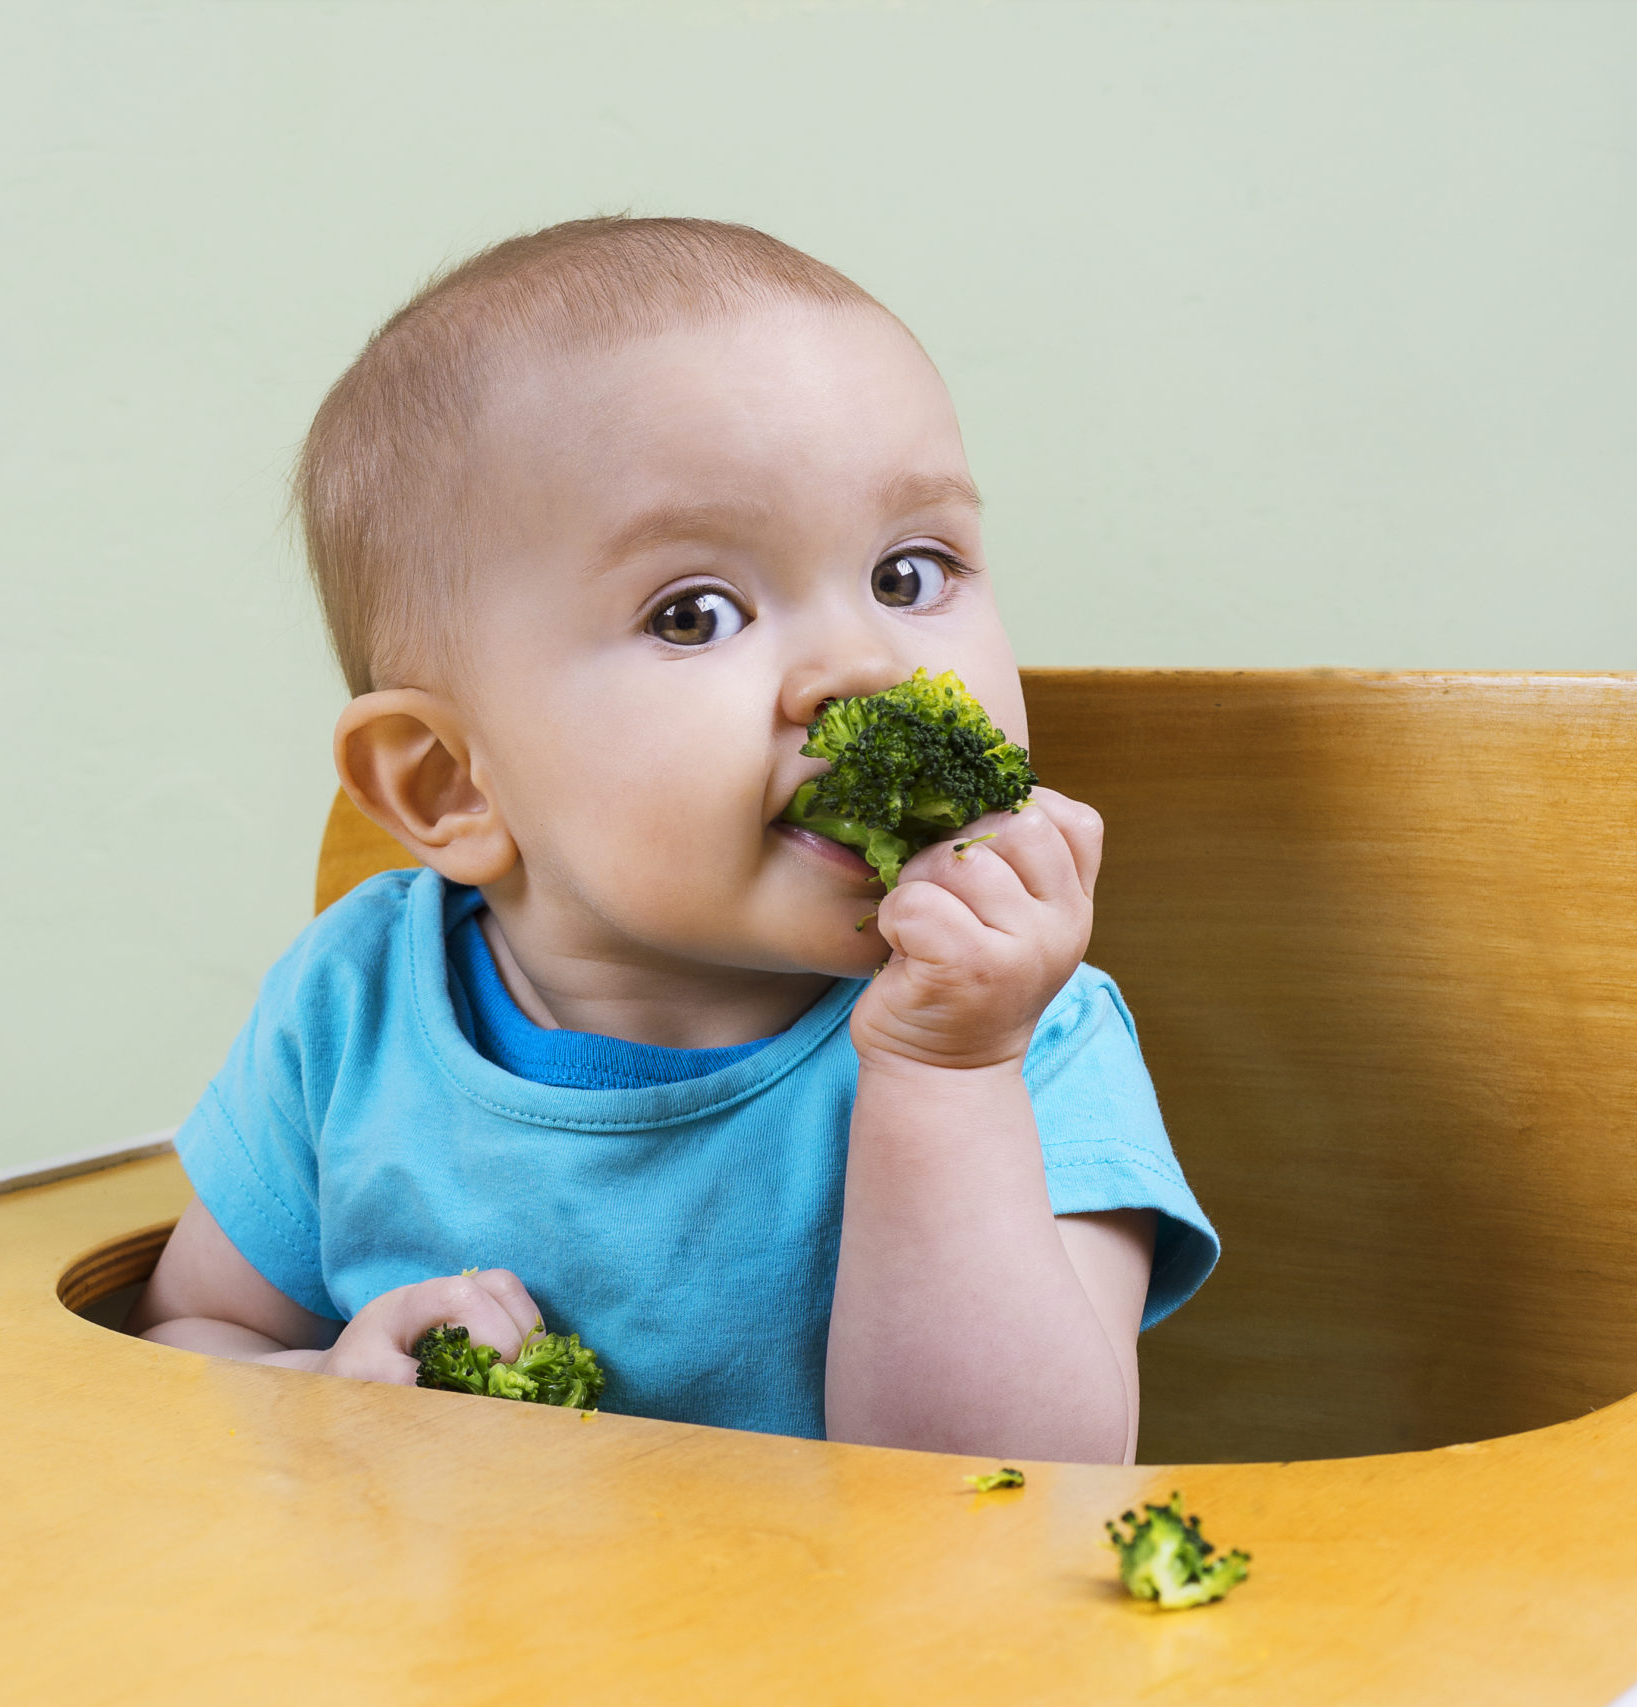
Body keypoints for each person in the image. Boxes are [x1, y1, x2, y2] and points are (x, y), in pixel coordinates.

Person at [124, 217, 1215, 1461]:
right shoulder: (351, 1010)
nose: (865, 665)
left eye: (911, 575)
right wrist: (324, 1390)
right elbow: (185, 1338)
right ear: (449, 786)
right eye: (695, 613)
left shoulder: (1023, 1036)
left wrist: (943, 1077)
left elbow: (1010, 1492)